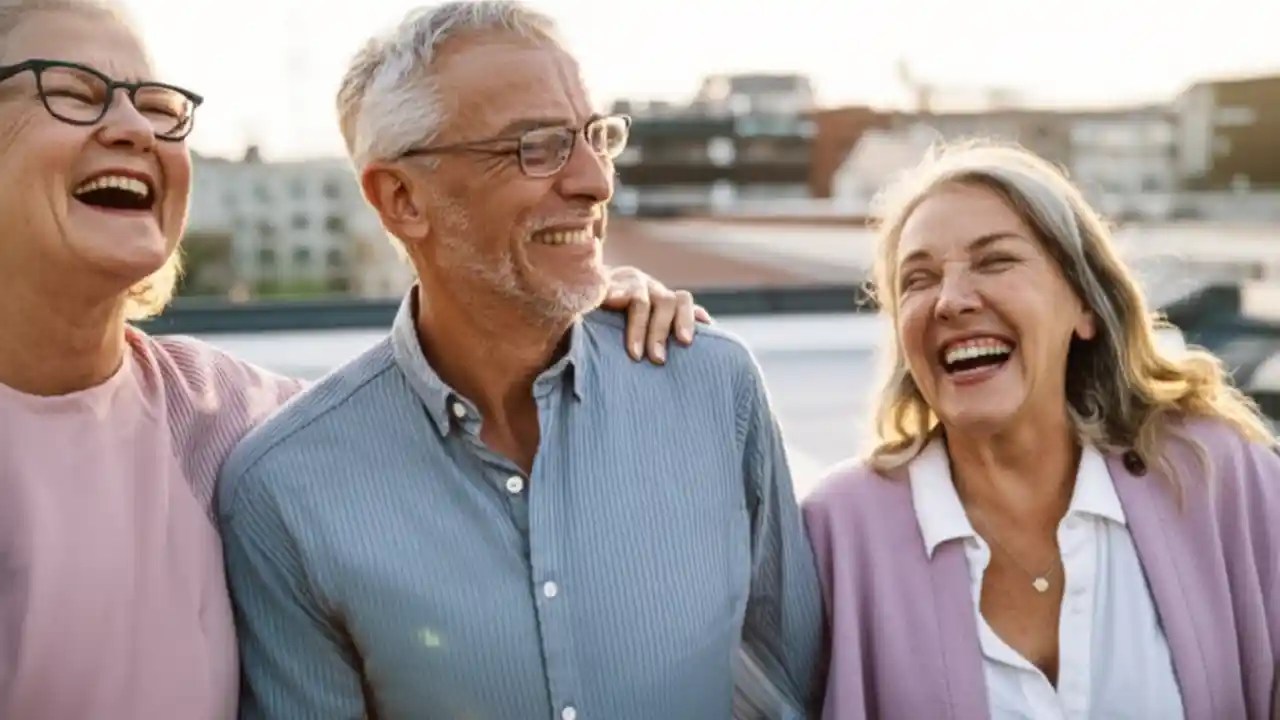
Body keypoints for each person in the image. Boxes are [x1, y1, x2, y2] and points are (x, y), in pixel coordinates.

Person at [0, 0, 706, 717]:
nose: (133, 129)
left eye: (156, 107)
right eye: (75, 93)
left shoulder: (233, 422)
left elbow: (420, 410)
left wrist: (571, 300)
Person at [215, 3, 824, 719]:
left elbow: (802, 692)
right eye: (537, 146)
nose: (596, 182)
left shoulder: (715, 389)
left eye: (598, 136)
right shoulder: (285, 491)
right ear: (402, 198)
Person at [802, 140, 1280, 719]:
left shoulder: (1216, 475)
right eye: (918, 279)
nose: (950, 301)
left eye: (995, 261)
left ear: (1083, 304)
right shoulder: (837, 528)